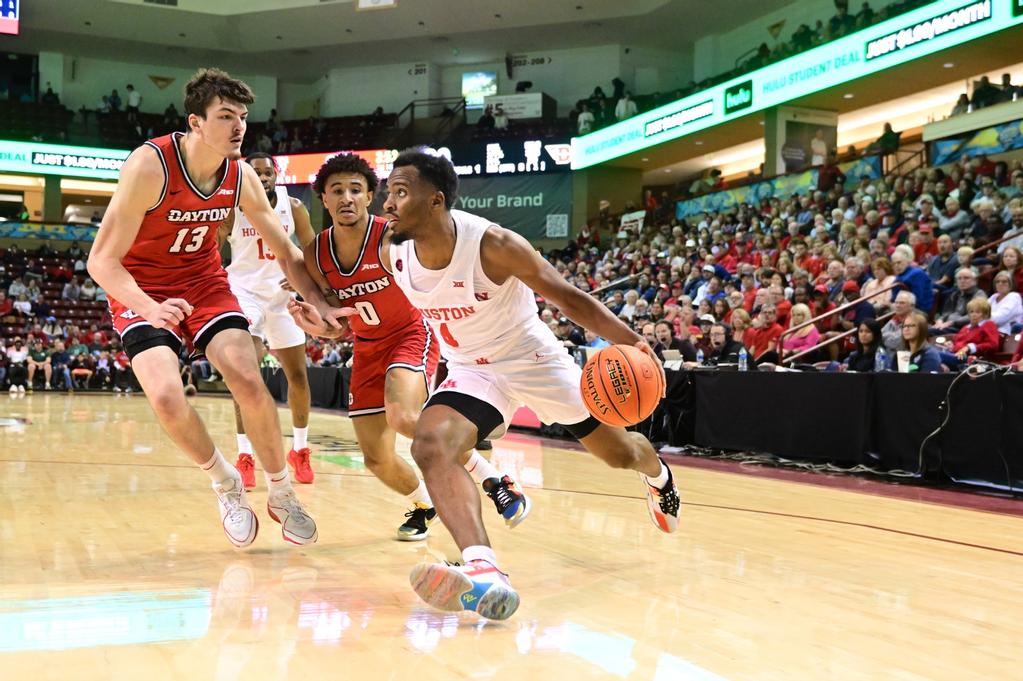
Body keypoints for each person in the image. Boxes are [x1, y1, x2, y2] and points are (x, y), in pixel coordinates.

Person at [361, 149, 679, 620]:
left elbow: (569, 298)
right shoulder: (393, 252)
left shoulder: (493, 245)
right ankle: (485, 569)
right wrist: (327, 321)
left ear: (436, 200)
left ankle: (658, 474)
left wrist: (633, 341)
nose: (387, 203)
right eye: (389, 192)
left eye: (401, 192)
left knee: (619, 454)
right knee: (429, 445)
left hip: (532, 359)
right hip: (471, 369)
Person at [87, 68, 335, 549]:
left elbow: (287, 252)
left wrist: (321, 303)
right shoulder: (150, 166)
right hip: (141, 287)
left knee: (248, 379)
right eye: (225, 116)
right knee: (165, 397)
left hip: (204, 284)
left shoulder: (240, 175)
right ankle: (226, 483)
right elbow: (101, 261)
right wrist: (148, 306)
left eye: (242, 116)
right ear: (196, 122)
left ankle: (281, 492)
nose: (238, 126)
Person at [291, 153, 527, 541]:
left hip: (411, 332)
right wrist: (318, 326)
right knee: (376, 458)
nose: (347, 198)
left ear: (370, 197)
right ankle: (423, 503)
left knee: (403, 416)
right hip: (366, 346)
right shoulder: (317, 255)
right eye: (338, 190)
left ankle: (495, 480)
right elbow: (339, 326)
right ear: (324, 199)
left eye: (356, 190)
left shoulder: (391, 237)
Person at [218, 152, 317, 488]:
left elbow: (313, 251)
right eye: (255, 172)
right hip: (245, 295)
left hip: (282, 297)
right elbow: (211, 251)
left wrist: (302, 276)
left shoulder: (295, 207)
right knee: (246, 372)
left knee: (298, 377)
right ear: (246, 176)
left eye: (266, 172)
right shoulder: (232, 209)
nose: (262, 178)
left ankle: (300, 450)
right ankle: (245, 455)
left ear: (276, 175)